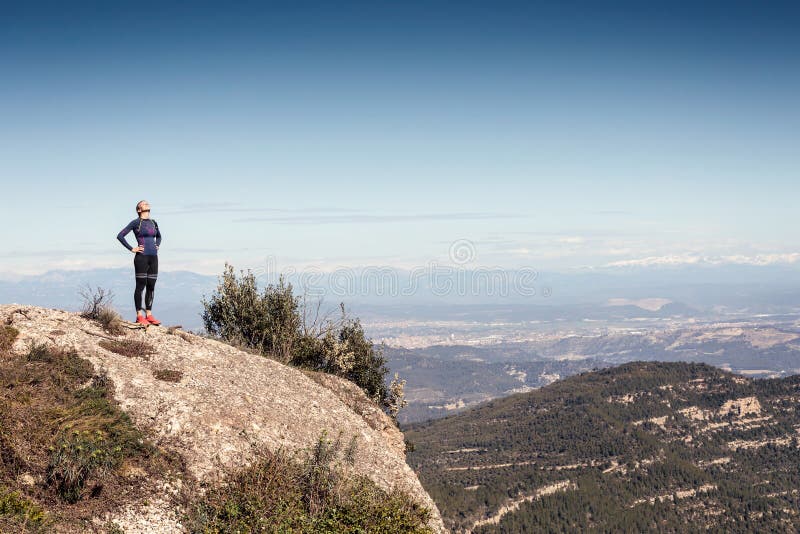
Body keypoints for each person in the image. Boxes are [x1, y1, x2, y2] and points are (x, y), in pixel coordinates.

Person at [117, 200, 162, 325]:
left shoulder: (153, 222)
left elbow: (159, 236)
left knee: (151, 286)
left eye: (148, 203)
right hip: (141, 257)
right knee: (140, 286)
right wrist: (132, 248)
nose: (147, 204)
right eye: (144, 203)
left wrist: (157, 245)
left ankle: (149, 314)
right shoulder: (136, 223)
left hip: (153, 257)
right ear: (139, 209)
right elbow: (120, 236)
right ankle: (139, 316)